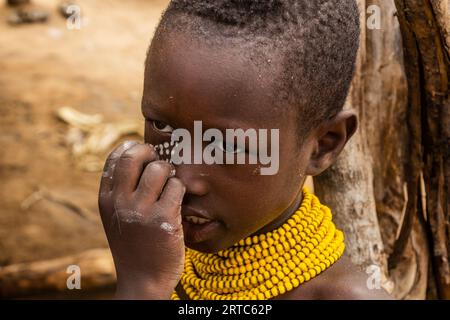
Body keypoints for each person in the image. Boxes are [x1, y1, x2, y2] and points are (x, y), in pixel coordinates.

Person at [98, 0, 391, 300]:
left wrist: (142, 288)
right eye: (163, 126)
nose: (183, 177)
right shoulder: (154, 251)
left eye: (228, 146)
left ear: (323, 146)